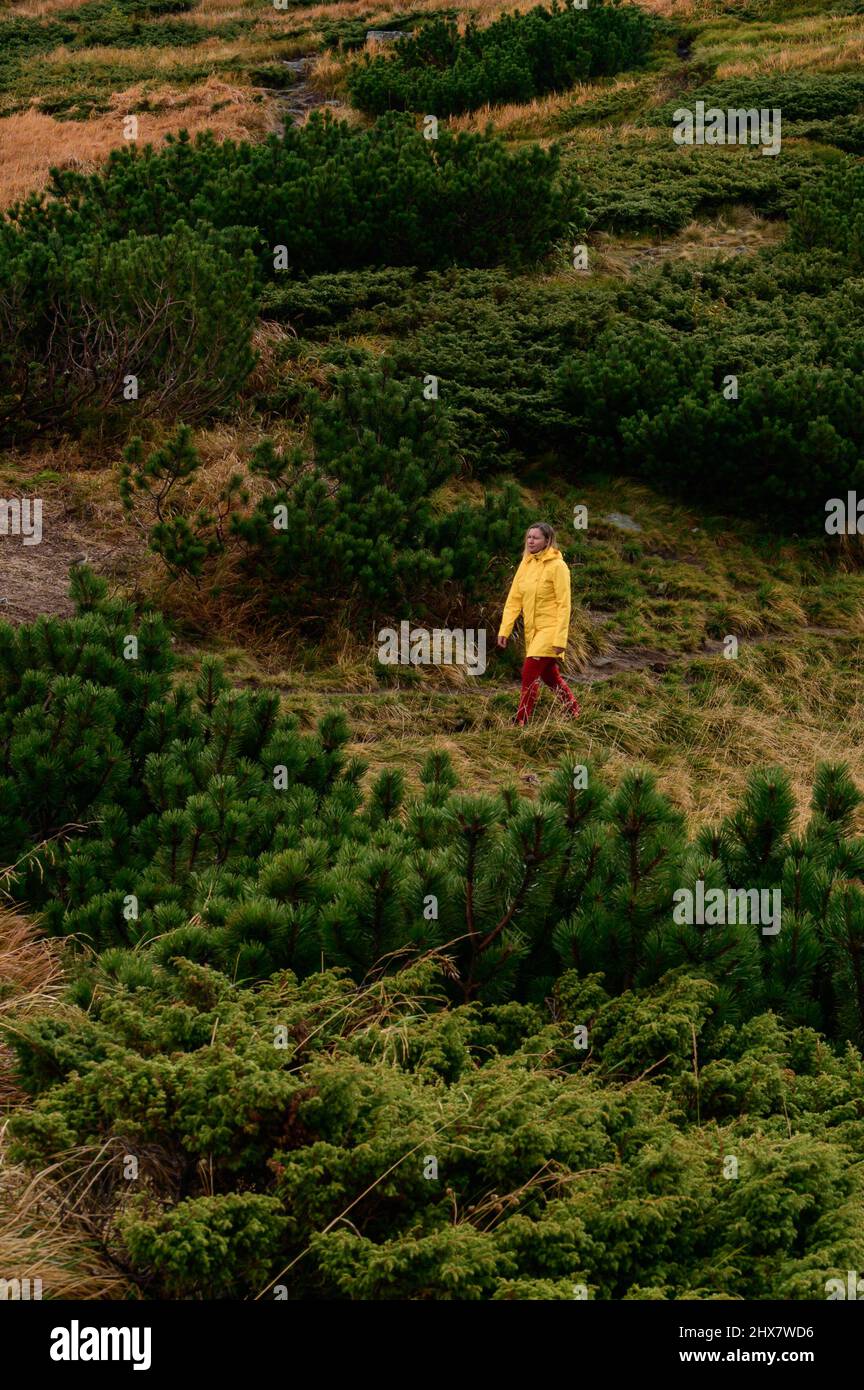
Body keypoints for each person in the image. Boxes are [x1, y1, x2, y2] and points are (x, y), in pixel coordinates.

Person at [497, 522, 581, 727]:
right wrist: (505, 629)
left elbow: (564, 604)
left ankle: (521, 721)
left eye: (536, 537)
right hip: (532, 631)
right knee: (550, 677)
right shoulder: (526, 564)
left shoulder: (558, 566)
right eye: (529, 537)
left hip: (550, 630)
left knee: (529, 673)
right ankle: (575, 712)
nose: (531, 541)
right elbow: (514, 599)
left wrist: (560, 639)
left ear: (547, 541)